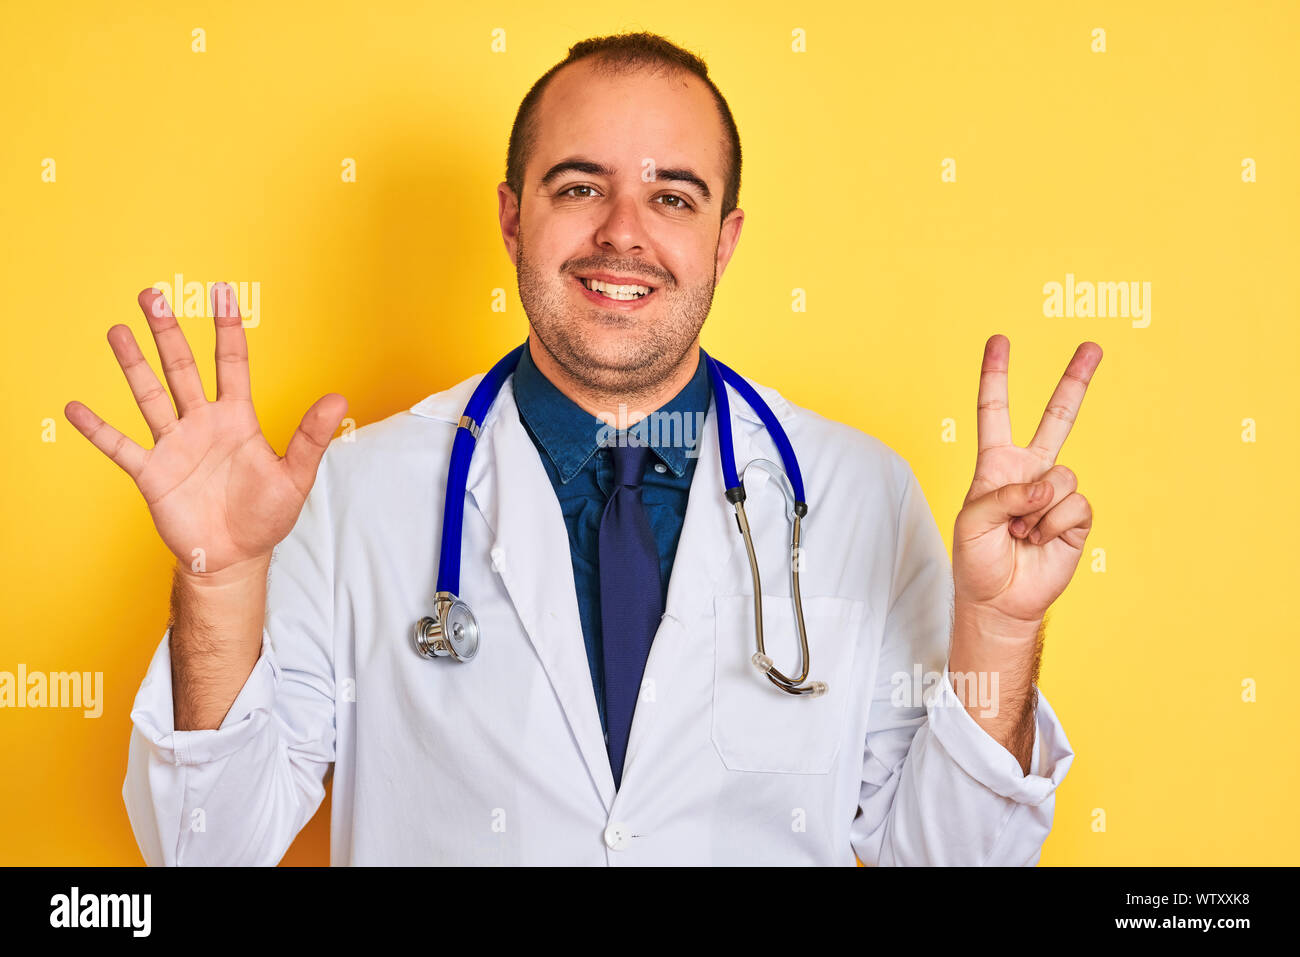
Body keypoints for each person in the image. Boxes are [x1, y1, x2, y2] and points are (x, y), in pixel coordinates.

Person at [66, 32, 1101, 865]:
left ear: (724, 240)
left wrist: (1001, 636)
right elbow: (202, 852)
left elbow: (953, 861)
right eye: (577, 187)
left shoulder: (857, 492)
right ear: (512, 220)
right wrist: (221, 581)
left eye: (671, 196)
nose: (622, 233)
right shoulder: (352, 493)